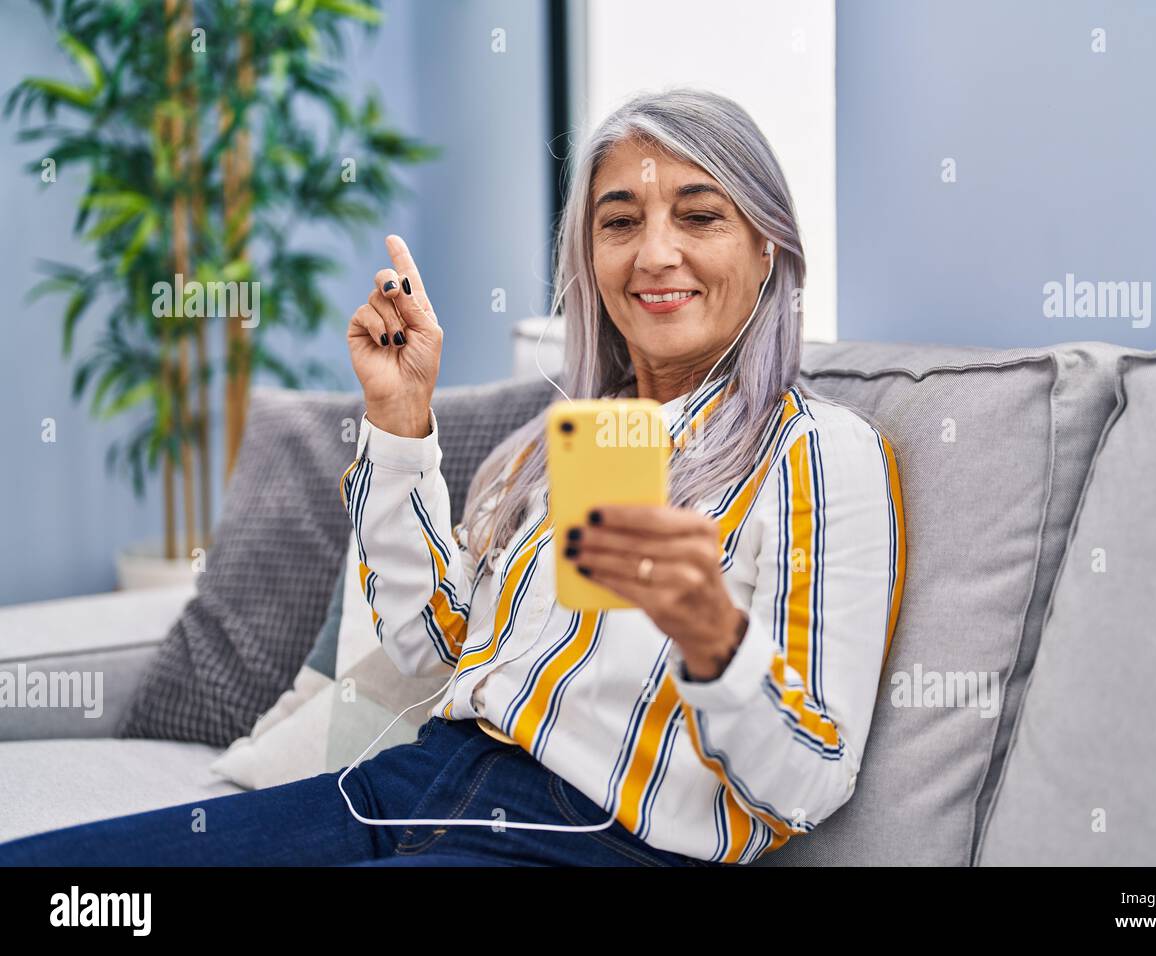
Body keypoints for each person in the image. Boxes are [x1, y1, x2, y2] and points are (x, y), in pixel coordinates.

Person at [0, 87, 904, 867]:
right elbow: (432, 648)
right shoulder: (567, 446)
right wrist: (400, 423)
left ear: (768, 248)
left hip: (586, 840)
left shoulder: (820, 452)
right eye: (620, 221)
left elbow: (808, 781)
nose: (654, 253)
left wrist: (714, 638)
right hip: (408, 783)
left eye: (699, 216)